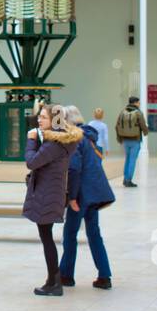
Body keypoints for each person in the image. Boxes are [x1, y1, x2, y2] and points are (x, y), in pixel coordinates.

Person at [23, 104, 82, 297]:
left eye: (44, 118)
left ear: (55, 121)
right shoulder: (58, 141)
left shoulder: (54, 144)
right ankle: (52, 279)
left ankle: (54, 282)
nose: (39, 120)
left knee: (46, 238)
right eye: (39, 117)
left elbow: (32, 161)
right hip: (50, 193)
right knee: (46, 236)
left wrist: (31, 141)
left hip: (47, 194)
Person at [59, 106, 114, 290]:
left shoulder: (75, 137)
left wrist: (72, 197)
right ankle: (104, 275)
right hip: (95, 192)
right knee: (94, 233)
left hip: (81, 194)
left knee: (70, 234)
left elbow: (74, 168)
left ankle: (66, 275)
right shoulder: (90, 136)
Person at [114, 96, 148, 187]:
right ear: (135, 103)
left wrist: (119, 138)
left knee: (127, 159)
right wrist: (146, 132)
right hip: (135, 139)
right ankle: (129, 180)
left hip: (125, 139)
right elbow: (143, 124)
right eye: (139, 102)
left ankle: (125, 179)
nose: (139, 104)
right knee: (132, 160)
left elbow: (117, 125)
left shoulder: (122, 112)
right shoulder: (138, 112)